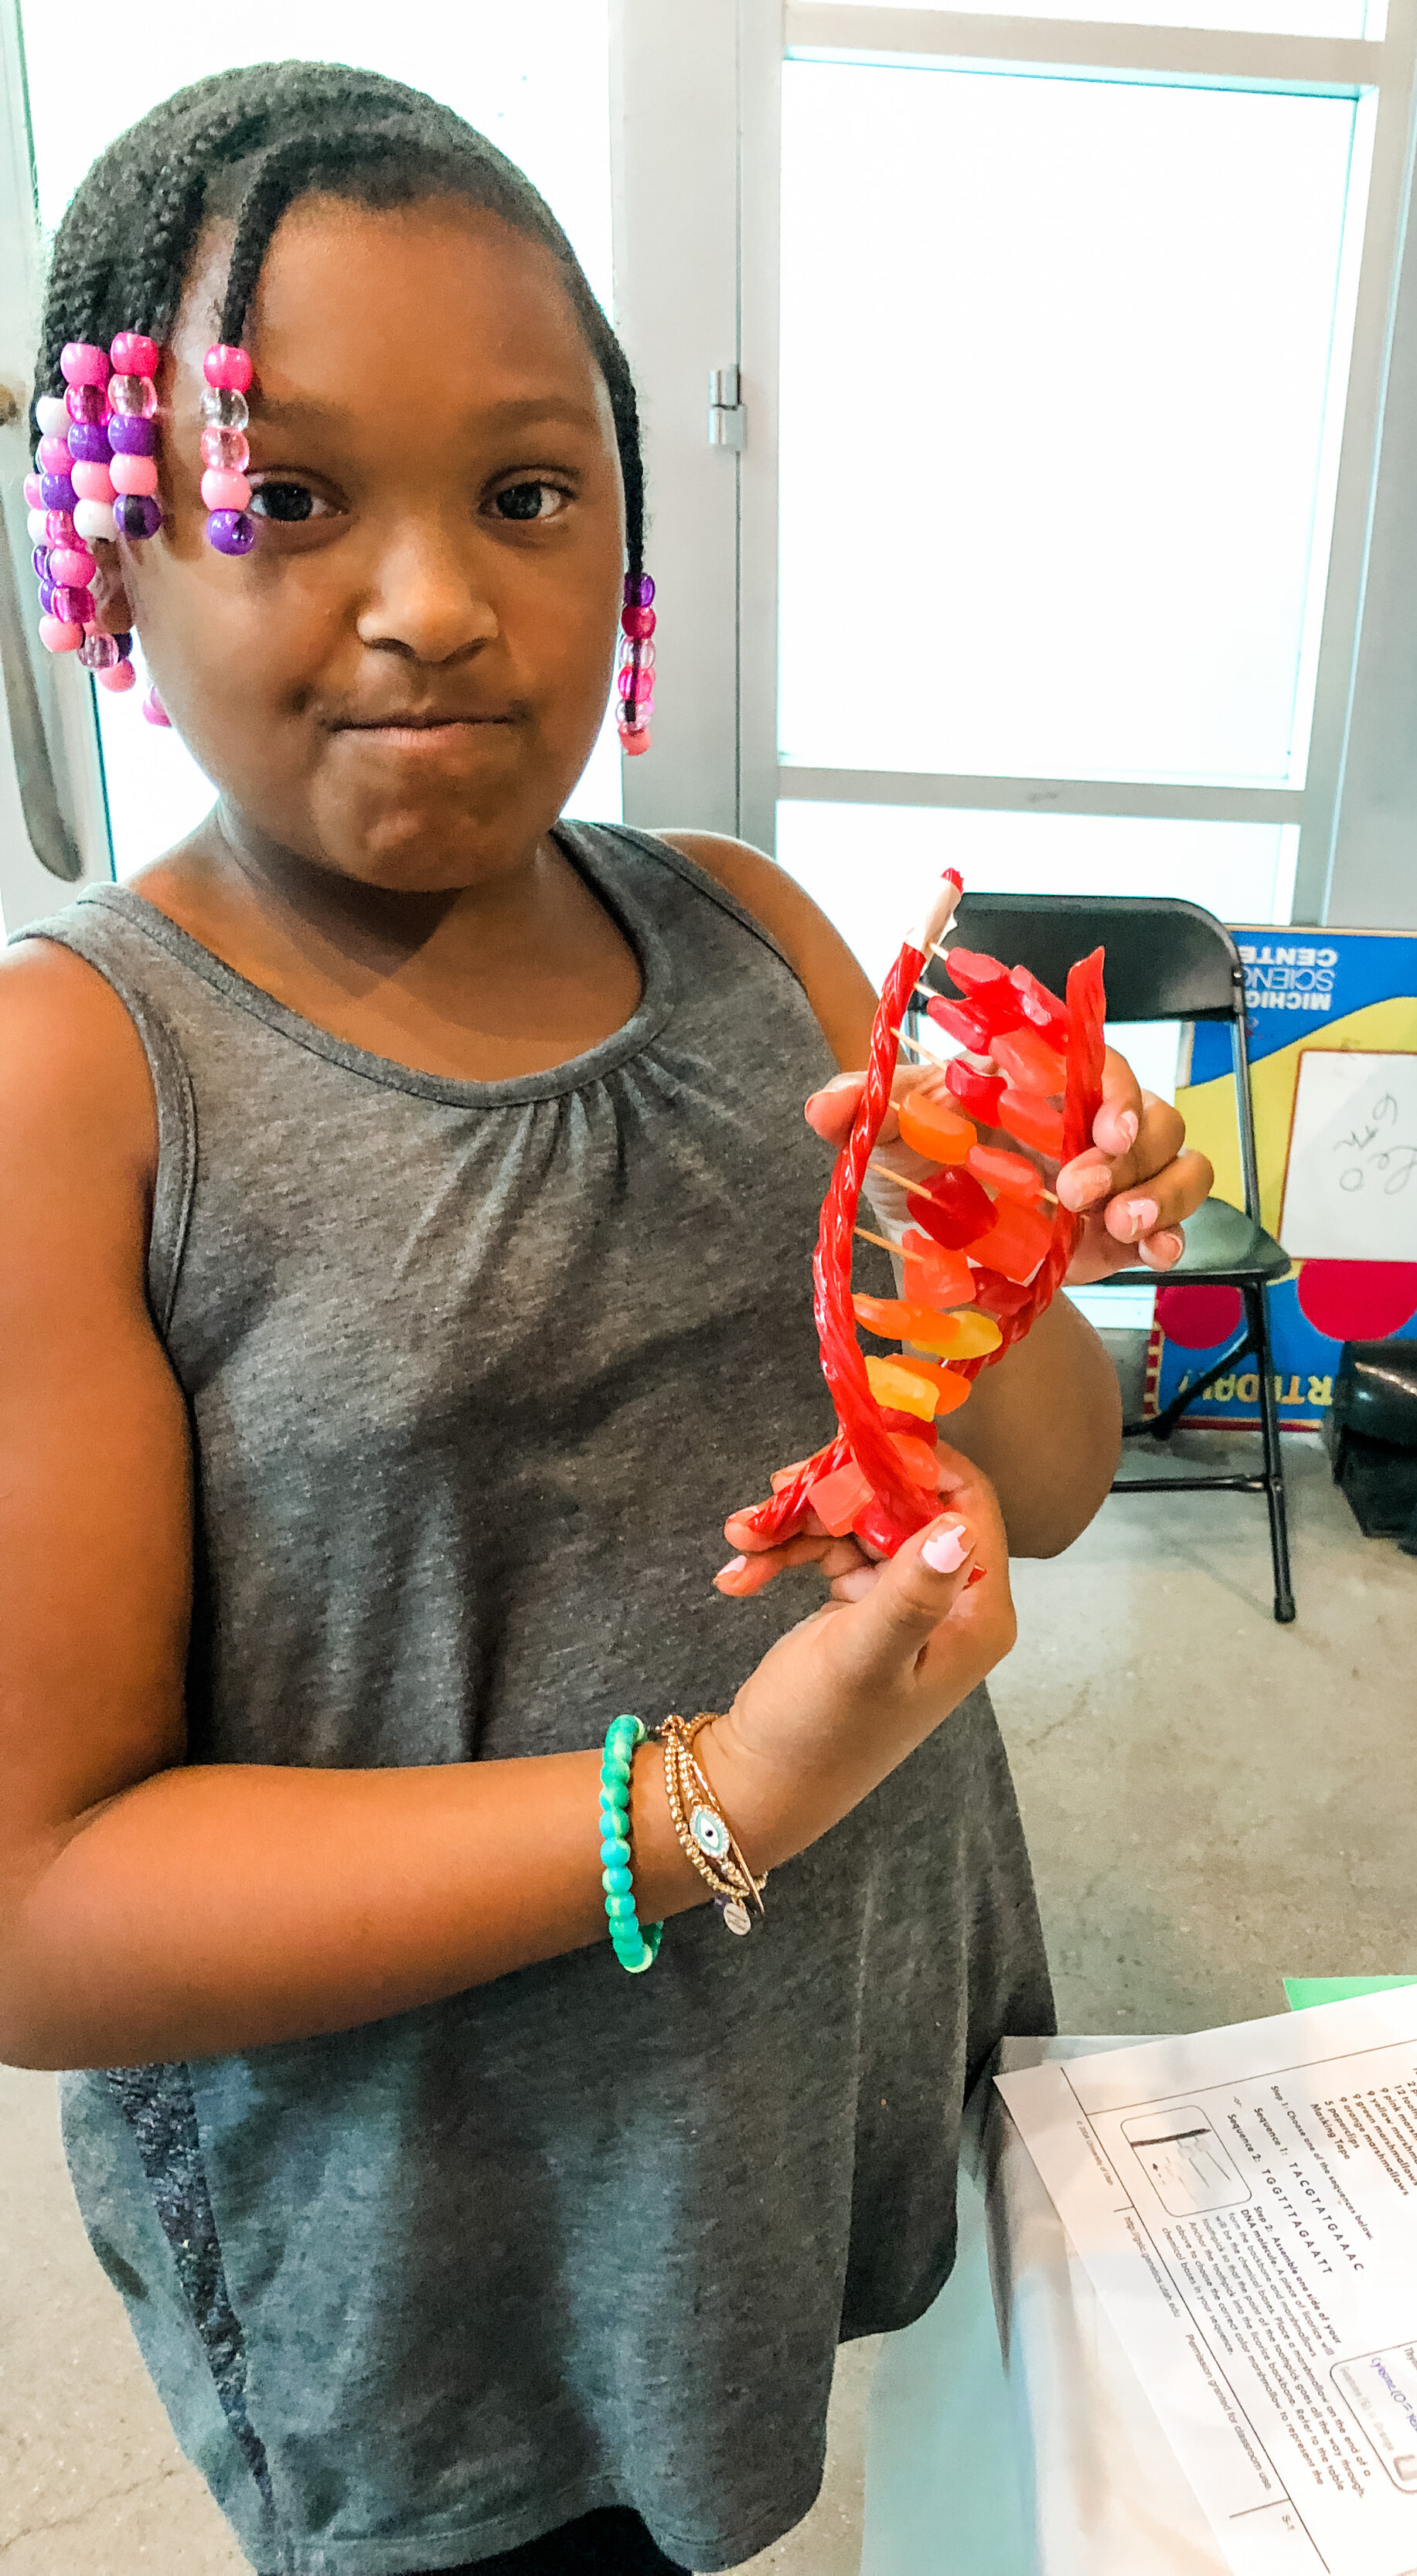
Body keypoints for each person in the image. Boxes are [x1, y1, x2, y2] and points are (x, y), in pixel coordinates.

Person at [0, 66, 1213, 2576]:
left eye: (527, 492)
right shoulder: (82, 1079)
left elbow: (1053, 1479)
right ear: (108, 547)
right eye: (296, 491)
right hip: (439, 2215)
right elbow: (44, 1899)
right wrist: (712, 1803)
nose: (434, 595)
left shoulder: (761, 938)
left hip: (810, 2057)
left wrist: (988, 1255)